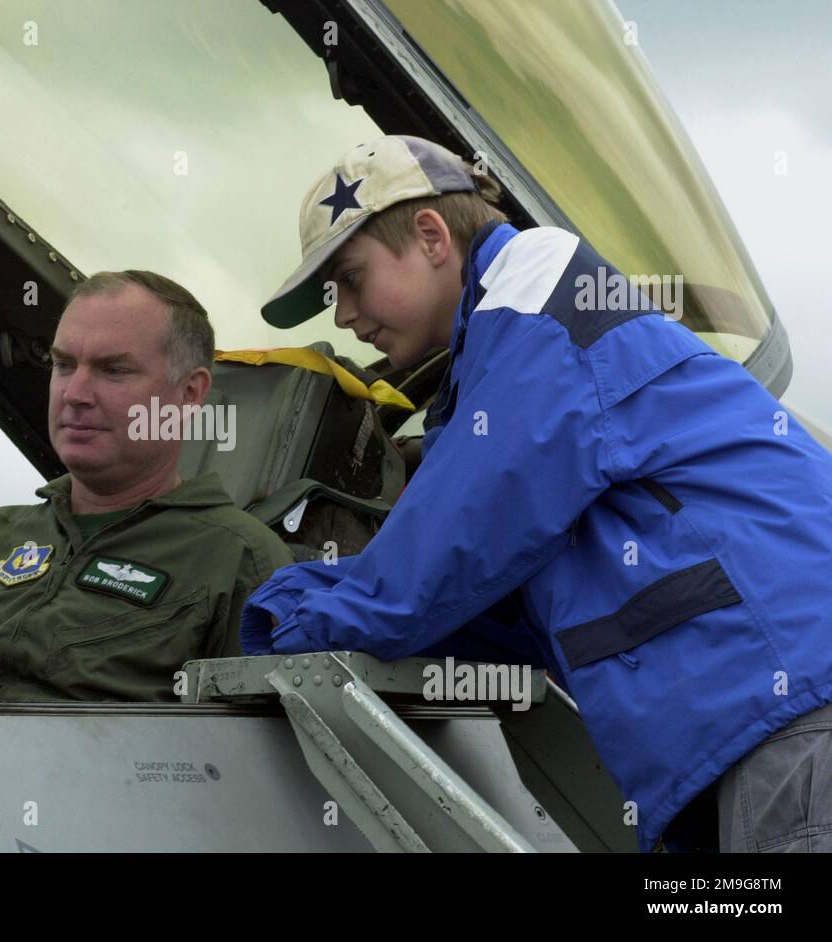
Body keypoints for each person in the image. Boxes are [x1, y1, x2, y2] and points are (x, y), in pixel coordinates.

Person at [242, 135, 832, 852]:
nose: (343, 318)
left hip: (793, 714)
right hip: (745, 738)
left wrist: (287, 619)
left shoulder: (538, 289)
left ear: (431, 236)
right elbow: (485, 601)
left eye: (351, 280)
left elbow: (445, 553)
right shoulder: (493, 365)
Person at [0, 270, 293, 702]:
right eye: (64, 365)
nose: (75, 393)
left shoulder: (242, 563)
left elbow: (263, 757)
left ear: (188, 394)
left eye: (114, 370)